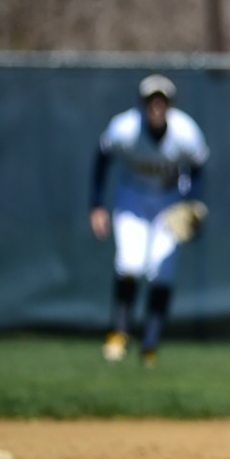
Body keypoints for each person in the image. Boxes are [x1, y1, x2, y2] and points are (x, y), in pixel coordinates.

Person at [89, 74, 209, 368]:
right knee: (129, 263)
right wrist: (97, 205)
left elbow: (198, 167)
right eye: (151, 101)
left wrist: (193, 203)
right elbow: (102, 158)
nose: (157, 106)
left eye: (162, 101)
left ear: (170, 105)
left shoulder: (185, 131)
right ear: (142, 104)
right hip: (133, 197)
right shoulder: (125, 128)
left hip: (169, 200)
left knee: (162, 272)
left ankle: (150, 345)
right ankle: (119, 334)